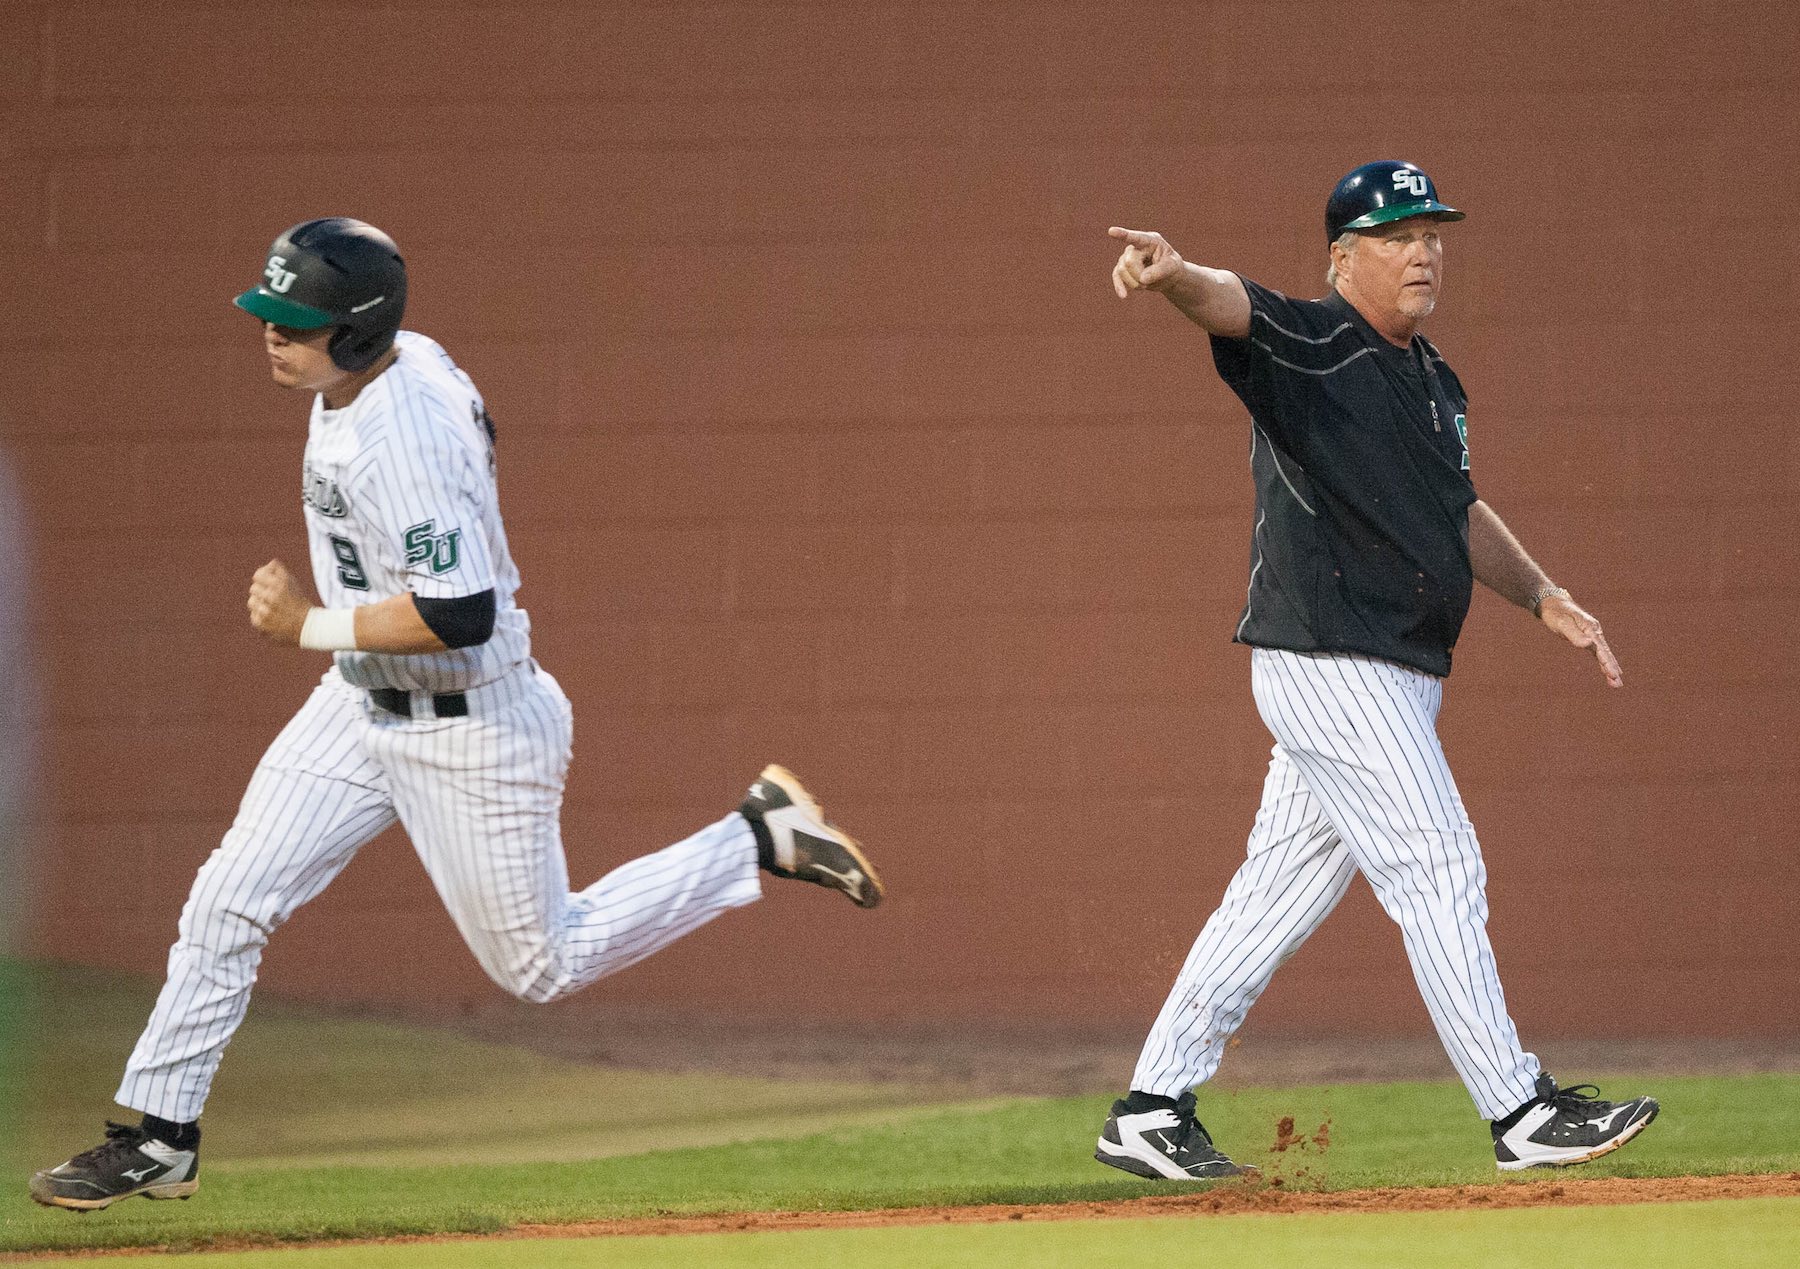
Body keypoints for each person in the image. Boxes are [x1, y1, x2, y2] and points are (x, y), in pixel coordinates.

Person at [29, 218, 885, 1211]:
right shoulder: (397, 364)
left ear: (354, 332)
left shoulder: (404, 435)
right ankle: (157, 1137)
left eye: (293, 320)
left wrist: (311, 625)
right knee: (227, 900)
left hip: (471, 725)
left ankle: (753, 840)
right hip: (357, 709)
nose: (271, 332)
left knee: (540, 965)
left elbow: (459, 611)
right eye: (269, 312)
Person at [1093, 162, 1656, 1180]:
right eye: (1398, 233)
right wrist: (1175, 274)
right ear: (1344, 255)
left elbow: (1460, 511)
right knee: (1439, 866)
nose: (1424, 250)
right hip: (1332, 660)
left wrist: (1542, 595)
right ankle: (1518, 1111)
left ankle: (1150, 1106)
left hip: (1388, 672)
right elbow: (1231, 305)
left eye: (1432, 231)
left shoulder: (1434, 380)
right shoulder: (1316, 343)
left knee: (1272, 896)